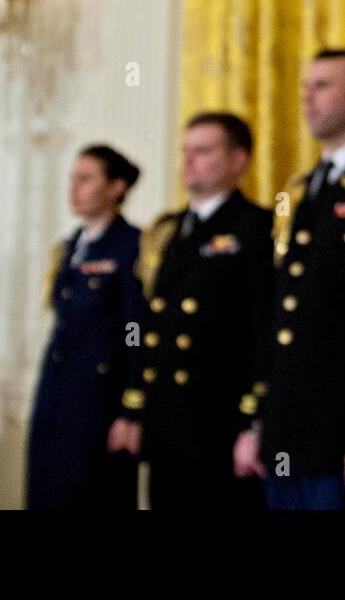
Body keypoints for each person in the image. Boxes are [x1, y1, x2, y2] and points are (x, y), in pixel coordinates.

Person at [232, 49, 345, 510]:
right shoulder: (299, 191)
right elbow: (278, 316)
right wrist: (257, 421)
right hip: (285, 429)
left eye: (322, 86)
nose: (307, 98)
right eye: (304, 87)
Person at [109, 112, 273, 509]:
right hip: (167, 422)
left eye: (203, 151)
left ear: (238, 160)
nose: (189, 160)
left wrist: (254, 423)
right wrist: (133, 409)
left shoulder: (256, 228)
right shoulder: (167, 230)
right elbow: (147, 325)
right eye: (185, 151)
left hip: (219, 422)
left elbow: (264, 330)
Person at [27, 144, 144, 509]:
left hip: (99, 401)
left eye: (85, 179)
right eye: (72, 179)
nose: (73, 189)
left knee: (90, 495)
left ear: (116, 187)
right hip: (56, 395)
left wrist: (132, 408)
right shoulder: (71, 247)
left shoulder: (132, 246)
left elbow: (135, 329)